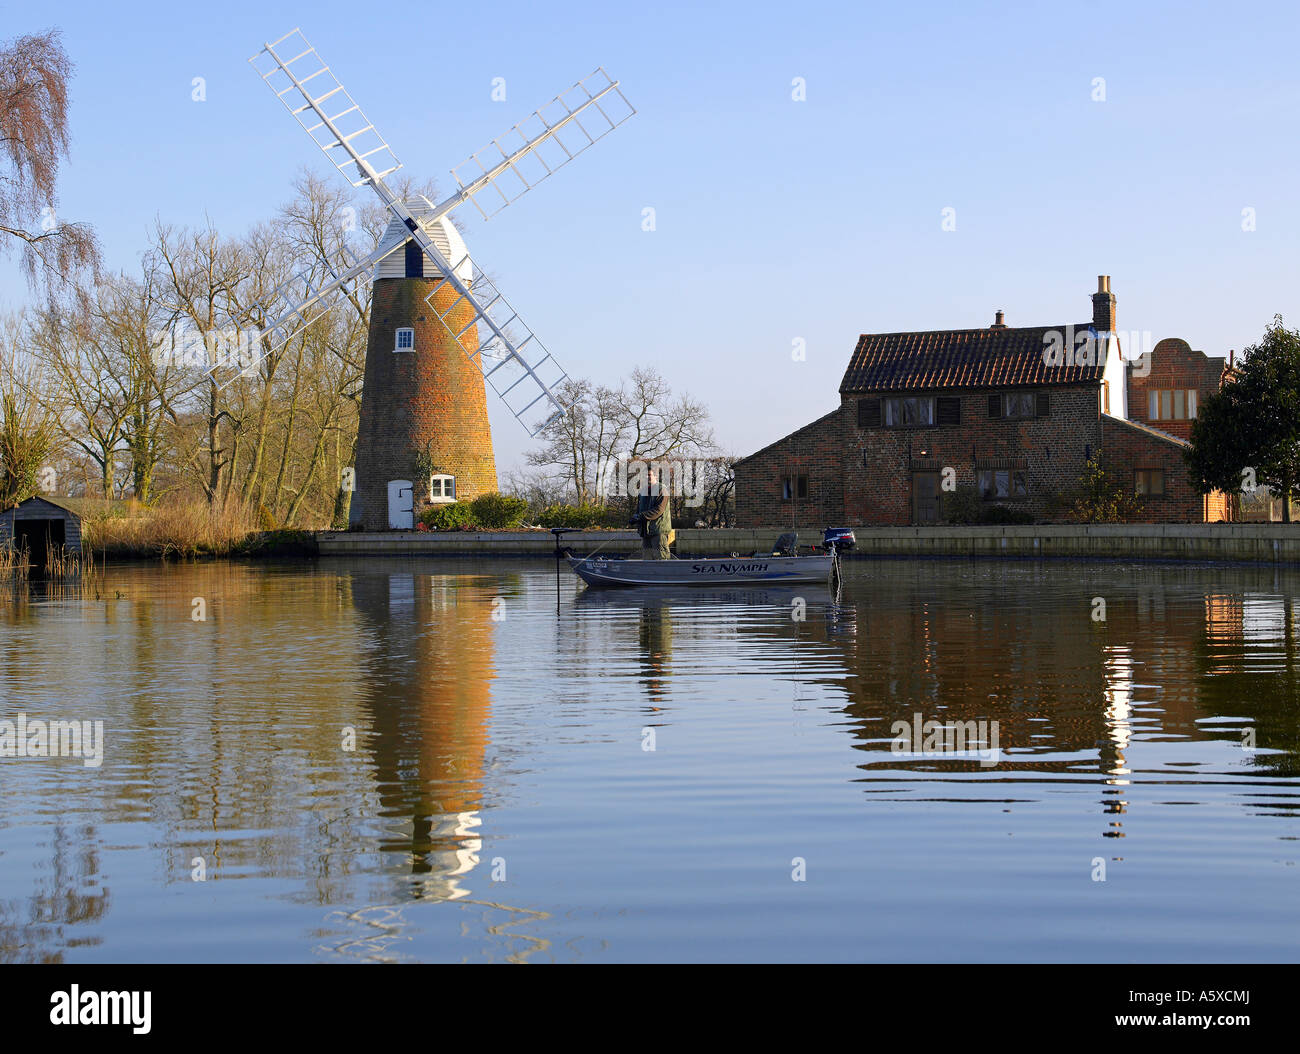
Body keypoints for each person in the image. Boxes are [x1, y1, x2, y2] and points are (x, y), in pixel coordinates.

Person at [634, 467, 672, 560]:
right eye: (645, 475)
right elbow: (639, 509)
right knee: (647, 558)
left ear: (656, 476)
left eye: (649, 475)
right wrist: (635, 518)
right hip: (645, 531)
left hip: (658, 530)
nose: (647, 477)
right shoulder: (642, 491)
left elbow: (658, 510)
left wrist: (640, 516)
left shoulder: (662, 490)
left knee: (661, 558)